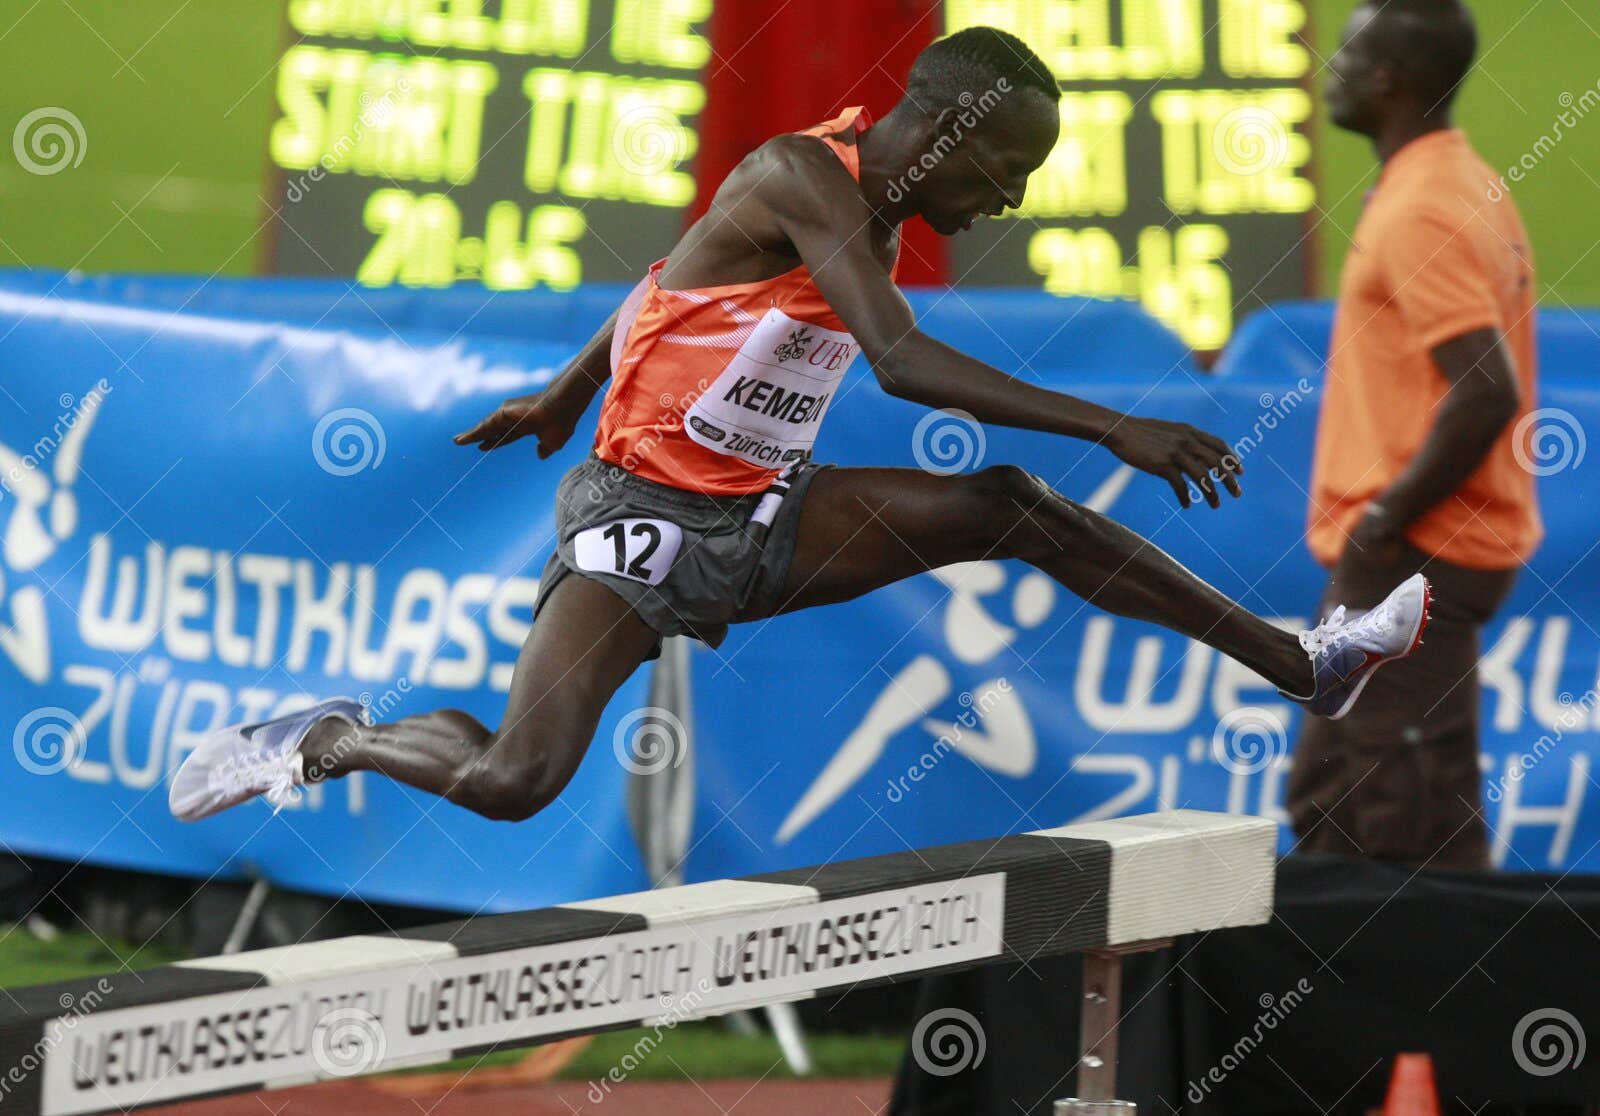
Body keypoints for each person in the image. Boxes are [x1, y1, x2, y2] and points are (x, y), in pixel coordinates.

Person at [170, 27, 1429, 826]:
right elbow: (899, 357)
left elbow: (672, 274)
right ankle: (325, 736)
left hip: (762, 511)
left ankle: (1299, 663)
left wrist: (565, 382)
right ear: (942, 132)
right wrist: (1112, 425)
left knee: (1008, 509)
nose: (1012, 195)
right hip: (640, 522)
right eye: (1003, 165)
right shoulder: (797, 174)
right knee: (514, 781)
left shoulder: (865, 205)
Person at [1288, 0, 1539, 870]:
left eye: (1347, 53)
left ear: (1390, 77)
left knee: (1405, 812)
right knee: (1334, 796)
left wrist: (1384, 520)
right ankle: (1329, 997)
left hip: (1415, 553)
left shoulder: (1427, 206)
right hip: (1408, 550)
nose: (1333, 70)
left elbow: (1484, 392)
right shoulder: (1455, 182)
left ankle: (1440, 1003)